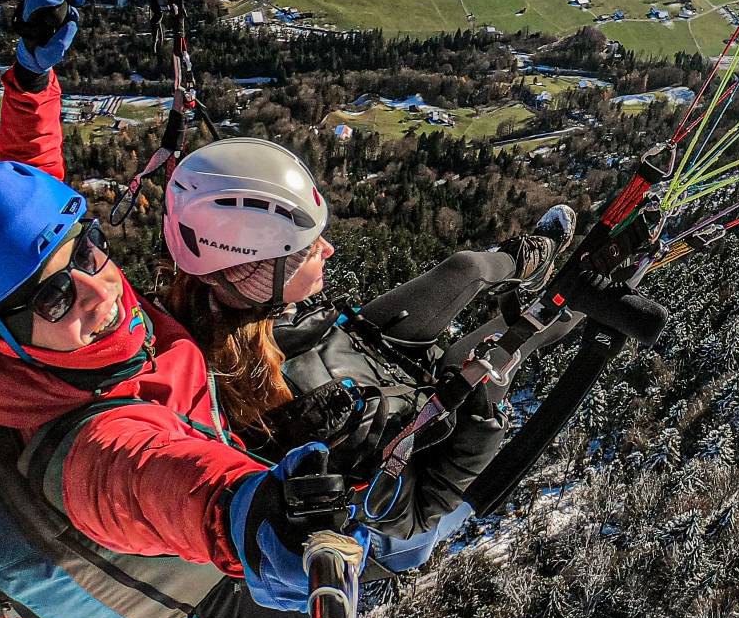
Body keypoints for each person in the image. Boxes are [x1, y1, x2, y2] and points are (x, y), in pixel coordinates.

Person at [0, 0, 363, 618]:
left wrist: (31, 83)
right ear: (2, 337)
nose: (98, 292)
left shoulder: (25, 327)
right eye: (55, 300)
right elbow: (150, 482)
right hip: (225, 606)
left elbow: (31, 195)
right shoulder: (88, 450)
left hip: (202, 437)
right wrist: (254, 514)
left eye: (88, 252)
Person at [159, 136, 568, 572]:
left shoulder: (220, 299)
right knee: (513, 334)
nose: (328, 250)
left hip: (360, 358)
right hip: (416, 452)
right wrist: (479, 414)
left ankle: (532, 262)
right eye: (306, 250)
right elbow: (414, 512)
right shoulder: (299, 420)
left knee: (464, 269)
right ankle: (581, 299)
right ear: (262, 278)